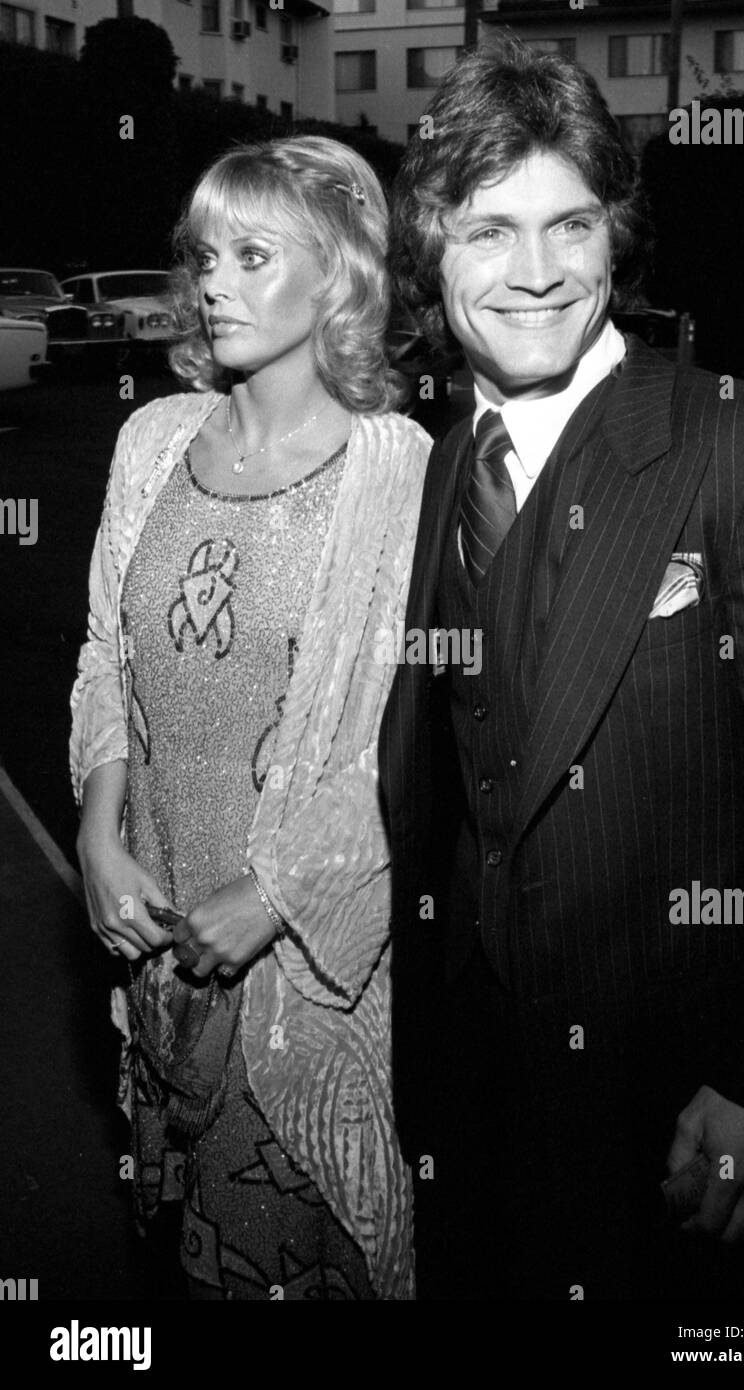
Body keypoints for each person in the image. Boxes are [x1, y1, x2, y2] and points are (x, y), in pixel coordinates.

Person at [379, 39, 744, 1300]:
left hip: (675, 1113)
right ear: (433, 250)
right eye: (489, 231)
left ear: (615, 233)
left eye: (569, 223)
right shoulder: (433, 466)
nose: (535, 273)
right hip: (469, 1102)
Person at [70, 135, 431, 1300]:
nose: (211, 280)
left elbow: (404, 746)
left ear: (337, 277)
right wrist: (95, 832)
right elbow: (102, 658)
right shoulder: (153, 440)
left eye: (252, 252)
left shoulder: (403, 471)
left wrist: (275, 899)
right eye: (206, 253)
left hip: (301, 984)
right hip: (154, 943)